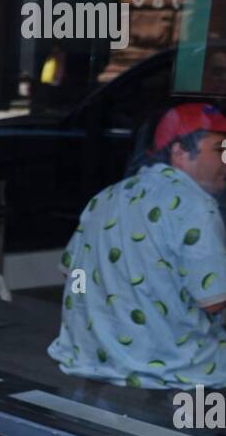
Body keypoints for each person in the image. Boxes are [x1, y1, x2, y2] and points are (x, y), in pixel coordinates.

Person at [48, 101, 226, 389]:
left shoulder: (106, 197)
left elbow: (73, 274)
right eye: (220, 150)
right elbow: (215, 301)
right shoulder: (196, 208)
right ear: (180, 152)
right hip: (177, 373)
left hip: (91, 362)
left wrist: (90, 308)